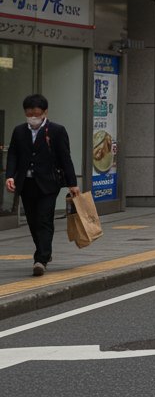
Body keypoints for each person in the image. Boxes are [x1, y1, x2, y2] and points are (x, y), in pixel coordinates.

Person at [4, 94, 80, 276]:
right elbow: (13, 154)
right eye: (29, 114)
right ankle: (44, 250)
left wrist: (72, 183)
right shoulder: (19, 131)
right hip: (26, 183)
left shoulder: (56, 130)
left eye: (36, 114)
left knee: (44, 219)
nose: (32, 117)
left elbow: (65, 157)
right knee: (32, 220)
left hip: (48, 184)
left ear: (45, 112)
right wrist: (10, 176)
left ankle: (41, 258)